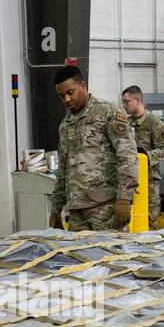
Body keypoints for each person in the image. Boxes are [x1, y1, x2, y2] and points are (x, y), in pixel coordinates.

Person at [49, 65, 139, 231]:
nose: (67, 99)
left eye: (70, 92)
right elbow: (63, 170)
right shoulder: (66, 125)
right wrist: (56, 208)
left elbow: (128, 156)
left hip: (106, 208)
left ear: (83, 85)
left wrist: (124, 198)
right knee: (77, 256)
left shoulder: (108, 112)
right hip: (77, 212)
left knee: (112, 255)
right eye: (62, 96)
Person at [121, 86, 164, 228]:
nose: (124, 105)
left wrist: (145, 157)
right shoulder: (125, 123)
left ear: (137, 100)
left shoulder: (154, 122)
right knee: (130, 223)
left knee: (149, 222)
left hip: (149, 182)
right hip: (130, 183)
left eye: (126, 101)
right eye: (123, 102)